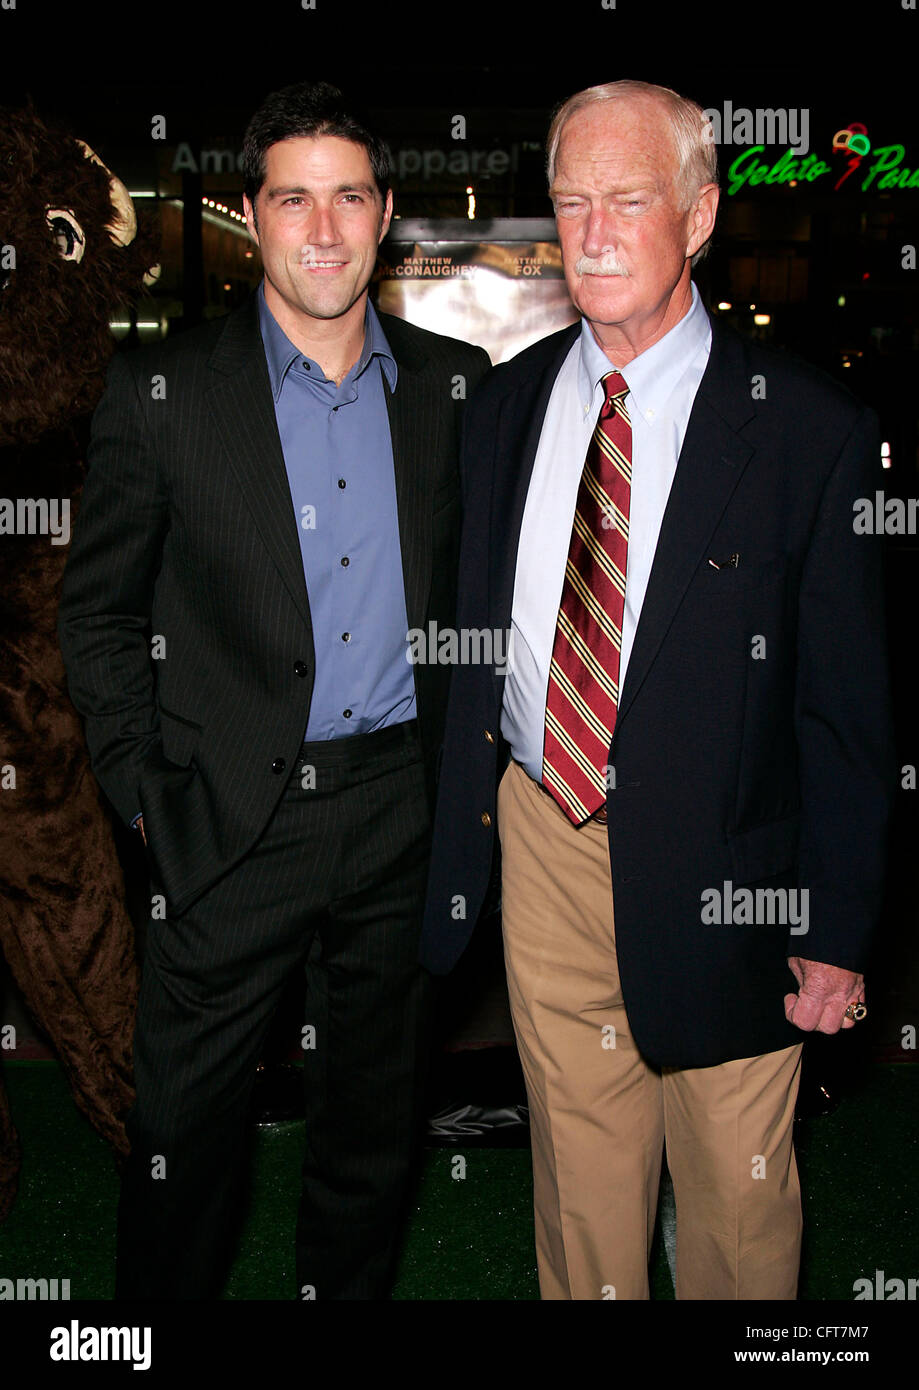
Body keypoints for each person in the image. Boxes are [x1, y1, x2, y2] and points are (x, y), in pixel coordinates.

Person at [420, 79, 895, 1300]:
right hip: (544, 833)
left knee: (738, 1207)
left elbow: (845, 709)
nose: (590, 233)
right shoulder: (503, 408)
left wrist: (833, 933)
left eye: (627, 201)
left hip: (732, 863)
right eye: (571, 201)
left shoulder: (805, 428)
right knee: (581, 1192)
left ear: (697, 214)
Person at [58, 79, 490, 1300]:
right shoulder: (166, 392)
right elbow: (96, 615)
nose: (322, 226)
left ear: (386, 212)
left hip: (399, 813)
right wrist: (147, 794)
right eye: (292, 197)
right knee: (182, 1144)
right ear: (252, 216)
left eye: (348, 195)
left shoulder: (455, 391)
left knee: (370, 1137)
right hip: (223, 819)